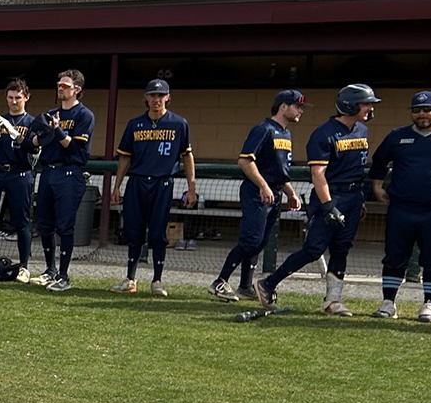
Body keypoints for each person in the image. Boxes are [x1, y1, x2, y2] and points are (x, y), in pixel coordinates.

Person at [254, 84, 379, 311]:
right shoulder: (324, 134)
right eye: (366, 103)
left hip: (353, 196)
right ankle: (267, 283)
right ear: (350, 105)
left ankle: (333, 300)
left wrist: (358, 200)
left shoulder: (362, 130)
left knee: (342, 248)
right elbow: (318, 173)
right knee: (313, 249)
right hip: (332, 195)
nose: (370, 108)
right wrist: (329, 205)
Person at [369, 90, 431, 323]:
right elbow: (379, 161)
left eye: (426, 109)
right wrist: (377, 186)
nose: (421, 114)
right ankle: (388, 302)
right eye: (416, 110)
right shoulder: (397, 136)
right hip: (401, 208)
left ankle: (429, 305)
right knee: (394, 257)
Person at [211, 90, 306, 302]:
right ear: (283, 106)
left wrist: (290, 193)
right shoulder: (263, 129)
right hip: (257, 192)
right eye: (297, 106)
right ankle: (220, 281)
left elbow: (280, 171)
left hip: (275, 193)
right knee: (251, 240)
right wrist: (263, 186)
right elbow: (245, 161)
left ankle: (245, 286)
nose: (300, 111)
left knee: (260, 241)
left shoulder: (286, 134)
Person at [110, 79, 197, 295]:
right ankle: (130, 279)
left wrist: (191, 187)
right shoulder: (134, 124)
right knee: (133, 231)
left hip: (162, 183)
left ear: (168, 97)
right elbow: (124, 158)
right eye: (152, 95)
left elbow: (187, 155)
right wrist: (116, 186)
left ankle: (157, 281)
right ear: (146, 98)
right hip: (137, 182)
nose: (156, 100)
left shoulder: (178, 123)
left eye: (161, 95)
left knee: (158, 232)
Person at [29, 69, 95, 291]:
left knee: (65, 227)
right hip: (48, 171)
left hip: (69, 173)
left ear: (77, 90)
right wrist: (35, 137)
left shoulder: (84, 115)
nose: (60, 88)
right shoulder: (50, 113)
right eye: (59, 84)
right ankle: (50, 270)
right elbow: (35, 142)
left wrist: (57, 131)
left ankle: (64, 276)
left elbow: (75, 148)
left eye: (65, 86)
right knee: (45, 225)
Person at [0, 78, 38, 279]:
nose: (14, 101)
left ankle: (23, 266)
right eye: (10, 97)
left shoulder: (31, 122)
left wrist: (14, 134)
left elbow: (34, 147)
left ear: (26, 98)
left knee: (21, 222)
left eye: (18, 98)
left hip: (20, 173)